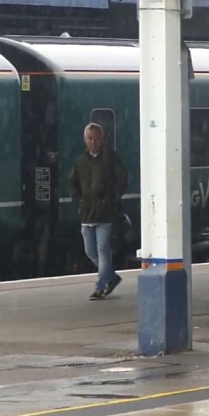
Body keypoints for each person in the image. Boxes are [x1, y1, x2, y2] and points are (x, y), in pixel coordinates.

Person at [69, 123, 128, 300]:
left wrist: (109, 200)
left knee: (103, 250)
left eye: (96, 138)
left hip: (106, 215)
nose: (93, 142)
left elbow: (122, 181)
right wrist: (78, 201)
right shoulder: (81, 162)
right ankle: (112, 277)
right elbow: (73, 183)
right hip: (87, 214)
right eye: (90, 138)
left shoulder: (112, 159)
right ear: (85, 140)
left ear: (103, 140)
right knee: (90, 252)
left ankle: (100, 287)